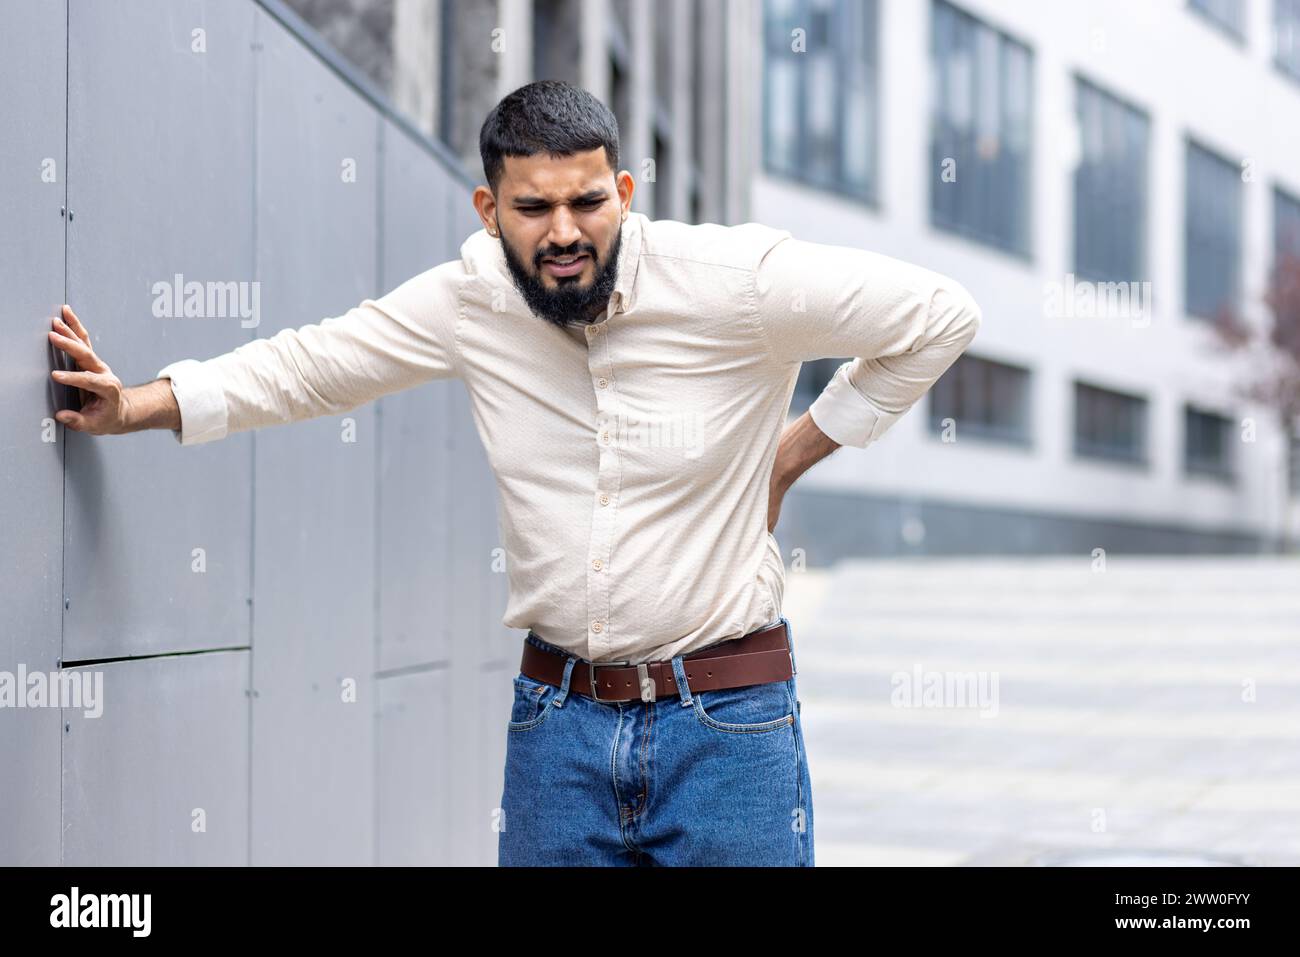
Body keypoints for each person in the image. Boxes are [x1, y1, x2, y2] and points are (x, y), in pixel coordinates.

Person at [46, 79, 981, 866]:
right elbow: (313, 365)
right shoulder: (472, 298)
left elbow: (941, 316)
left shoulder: (741, 282)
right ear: (491, 212)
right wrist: (136, 404)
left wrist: (791, 453)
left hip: (730, 725)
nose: (565, 231)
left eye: (588, 202)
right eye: (534, 208)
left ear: (623, 189)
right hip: (557, 731)